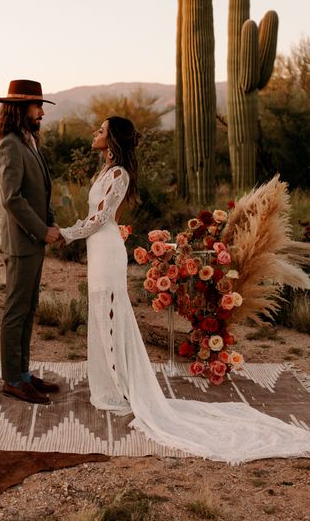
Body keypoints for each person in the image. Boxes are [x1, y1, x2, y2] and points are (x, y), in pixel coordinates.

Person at [59, 116, 310, 463]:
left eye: (101, 130)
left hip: (106, 249)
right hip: (97, 250)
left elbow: (101, 219)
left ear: (113, 139)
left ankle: (120, 388)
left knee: (110, 313)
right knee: (101, 313)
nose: (95, 133)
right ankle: (109, 384)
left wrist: (66, 232)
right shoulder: (105, 172)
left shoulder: (119, 175)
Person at [0, 79, 61, 405]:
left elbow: (41, 191)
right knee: (16, 311)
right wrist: (41, 230)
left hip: (34, 239)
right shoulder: (10, 144)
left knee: (29, 307)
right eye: (37, 107)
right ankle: (11, 380)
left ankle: (22, 374)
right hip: (21, 242)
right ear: (21, 109)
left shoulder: (29, 143)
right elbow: (12, 198)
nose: (41, 114)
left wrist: (51, 222)